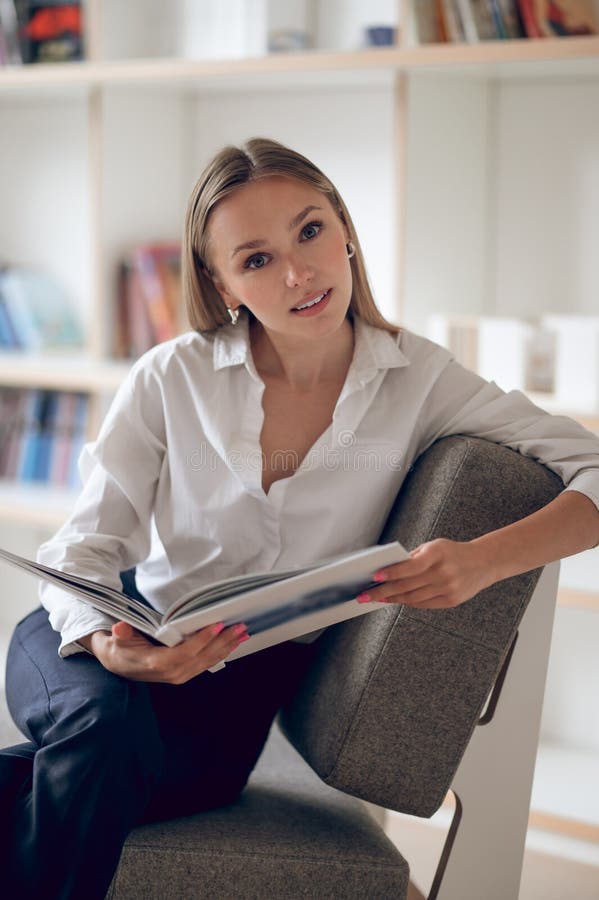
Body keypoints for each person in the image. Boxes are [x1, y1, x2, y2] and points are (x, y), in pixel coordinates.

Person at [2, 136, 599, 899]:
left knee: (99, 768)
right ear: (221, 284)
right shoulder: (170, 376)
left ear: (344, 230)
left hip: (229, 704)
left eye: (310, 231)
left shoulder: (420, 380)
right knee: (103, 728)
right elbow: (80, 549)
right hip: (94, 637)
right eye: (256, 259)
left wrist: (484, 560)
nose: (298, 273)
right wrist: (109, 649)